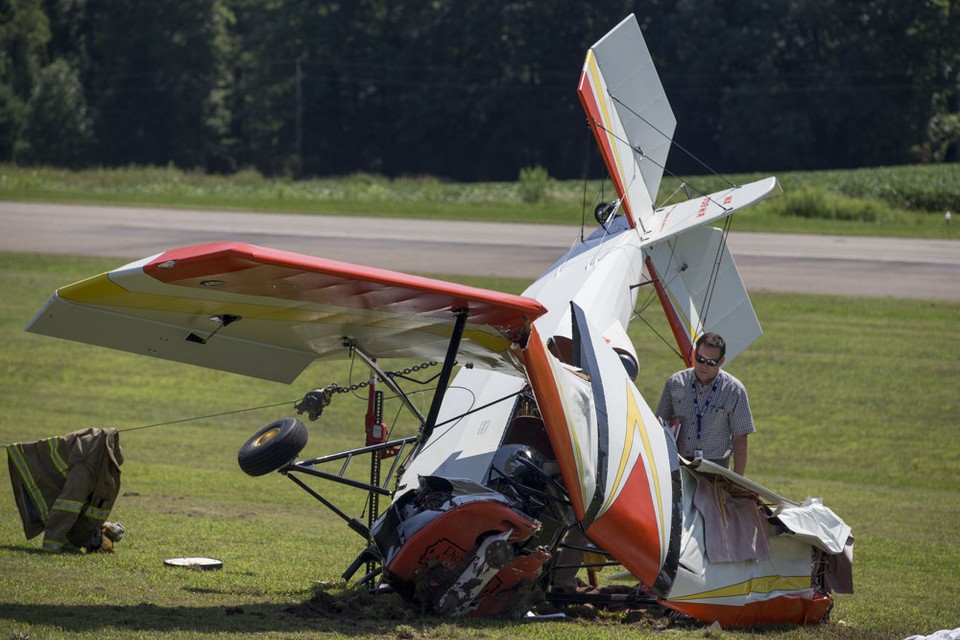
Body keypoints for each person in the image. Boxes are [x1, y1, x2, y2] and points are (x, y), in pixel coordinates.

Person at [656, 332, 755, 475]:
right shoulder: (675, 383)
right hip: (678, 463)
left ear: (721, 361)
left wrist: (737, 482)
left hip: (715, 468)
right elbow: (660, 424)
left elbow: (740, 439)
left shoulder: (734, 391)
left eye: (711, 362)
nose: (704, 366)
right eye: (700, 359)